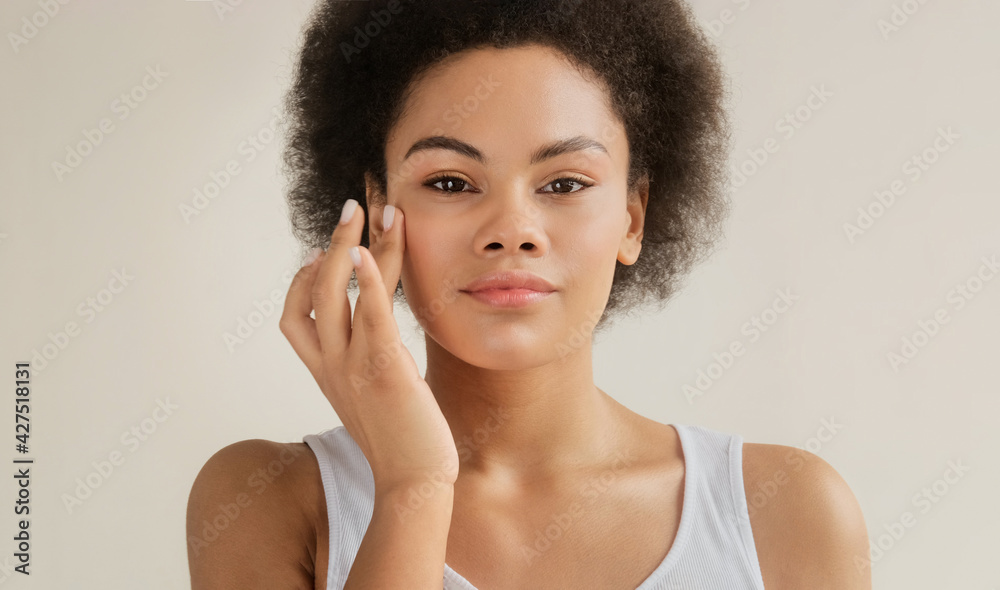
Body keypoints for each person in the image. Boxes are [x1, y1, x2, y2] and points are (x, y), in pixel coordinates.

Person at [186, 0, 871, 588]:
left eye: (565, 184)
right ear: (375, 203)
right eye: (451, 183)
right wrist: (413, 486)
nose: (513, 231)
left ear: (632, 218)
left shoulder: (784, 512)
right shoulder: (268, 500)